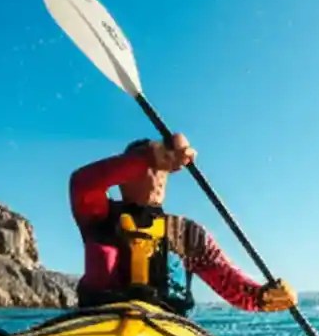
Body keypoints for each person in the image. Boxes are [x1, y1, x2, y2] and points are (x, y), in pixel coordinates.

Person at [69, 133, 298, 315]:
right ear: (121, 177)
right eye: (144, 163)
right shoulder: (99, 215)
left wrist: (264, 297)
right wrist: (148, 157)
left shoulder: (187, 233)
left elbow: (230, 283)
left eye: (161, 165)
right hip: (99, 322)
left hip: (166, 326)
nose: (155, 171)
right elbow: (82, 182)